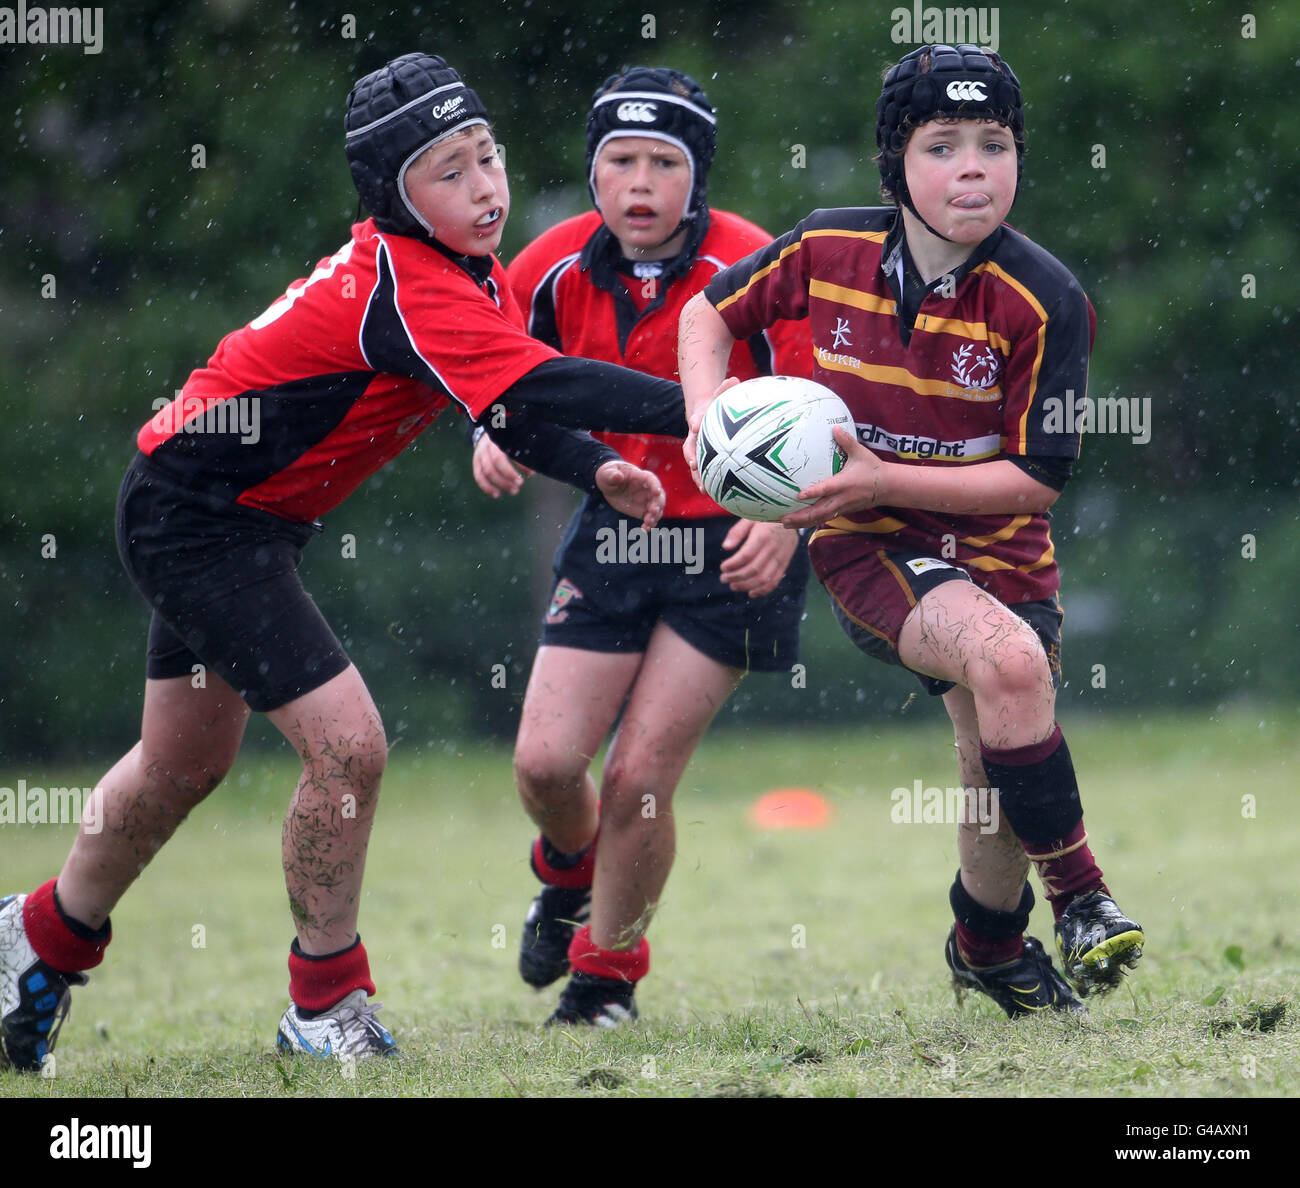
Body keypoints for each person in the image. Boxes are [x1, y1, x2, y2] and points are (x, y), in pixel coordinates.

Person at [0, 51, 693, 1072]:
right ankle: (325, 1004)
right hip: (198, 519)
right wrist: (702, 410)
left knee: (182, 764)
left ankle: (36, 943)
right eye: (448, 170)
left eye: (487, 156)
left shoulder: (461, 274)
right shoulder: (408, 283)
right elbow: (547, 382)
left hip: (226, 518)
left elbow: (511, 407)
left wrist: (596, 469)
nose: (485, 184)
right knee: (349, 747)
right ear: (393, 196)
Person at [677, 44, 1144, 1018]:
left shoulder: (1045, 299)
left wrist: (884, 467)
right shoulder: (824, 250)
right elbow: (705, 318)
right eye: (942, 145)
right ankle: (1084, 899)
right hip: (868, 538)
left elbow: (1035, 480)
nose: (972, 166)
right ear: (896, 165)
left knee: (993, 759)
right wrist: (705, 421)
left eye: (994, 143)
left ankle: (986, 946)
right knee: (1010, 670)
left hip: (1003, 549)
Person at [470, 67, 812, 1026]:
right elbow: (484, 366)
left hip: (736, 548)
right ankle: (565, 871)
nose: (640, 182)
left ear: (696, 176)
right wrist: (488, 434)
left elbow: (826, 408)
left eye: (664, 162)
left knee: (638, 780)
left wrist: (787, 525)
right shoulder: (547, 264)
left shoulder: (755, 263)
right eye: (619, 160)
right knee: (544, 767)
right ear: (593, 171)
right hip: (618, 532)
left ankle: (606, 981)